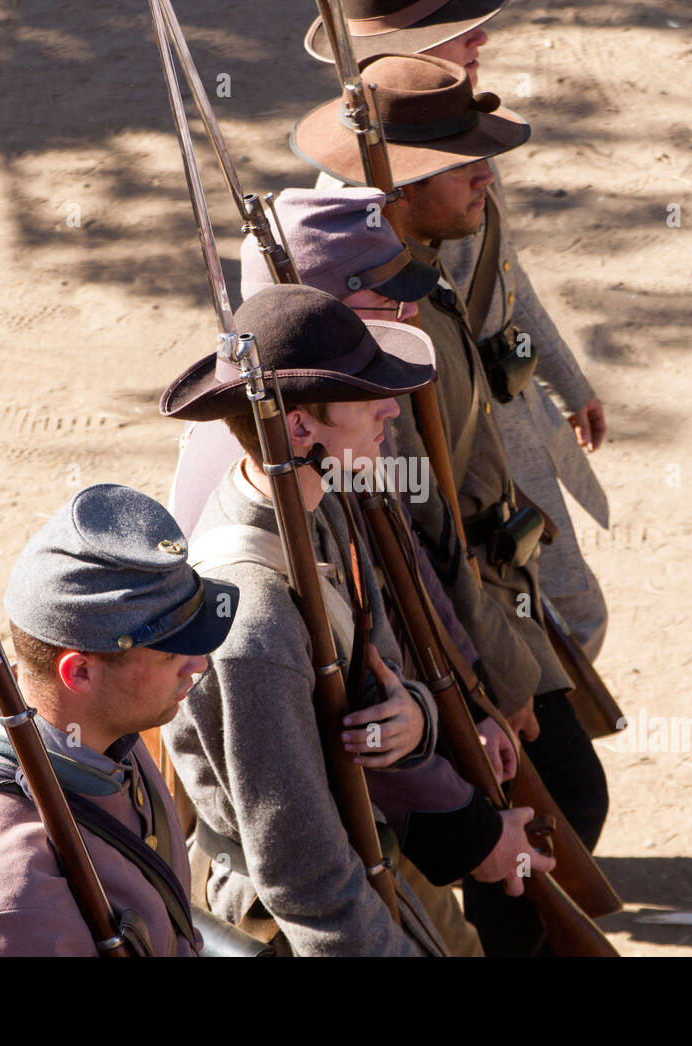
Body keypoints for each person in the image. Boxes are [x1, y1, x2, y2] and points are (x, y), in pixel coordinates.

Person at [292, 55, 609, 954]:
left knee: (562, 795)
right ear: (397, 185)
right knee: (543, 812)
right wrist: (472, 695)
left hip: (480, 577)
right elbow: (392, 557)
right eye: (461, 158)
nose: (486, 174)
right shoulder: (348, 374)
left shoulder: (424, 257)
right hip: (420, 638)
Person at [159, 284, 552, 956]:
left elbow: (387, 674)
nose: (390, 409)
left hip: (364, 842)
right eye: (364, 394)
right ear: (302, 429)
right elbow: (300, 878)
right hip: (303, 915)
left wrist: (416, 720)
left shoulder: (324, 502)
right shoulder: (252, 621)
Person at [305, 3, 613, 661]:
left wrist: (568, 378)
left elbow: (507, 278)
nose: (480, 38)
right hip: (460, 451)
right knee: (538, 628)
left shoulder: (465, 135)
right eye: (453, 31)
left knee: (570, 619)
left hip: (513, 422)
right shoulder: (360, 193)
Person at [0, 483, 238, 957]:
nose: (198, 665)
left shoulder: (106, 730)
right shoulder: (9, 905)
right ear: (80, 671)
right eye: (171, 654)